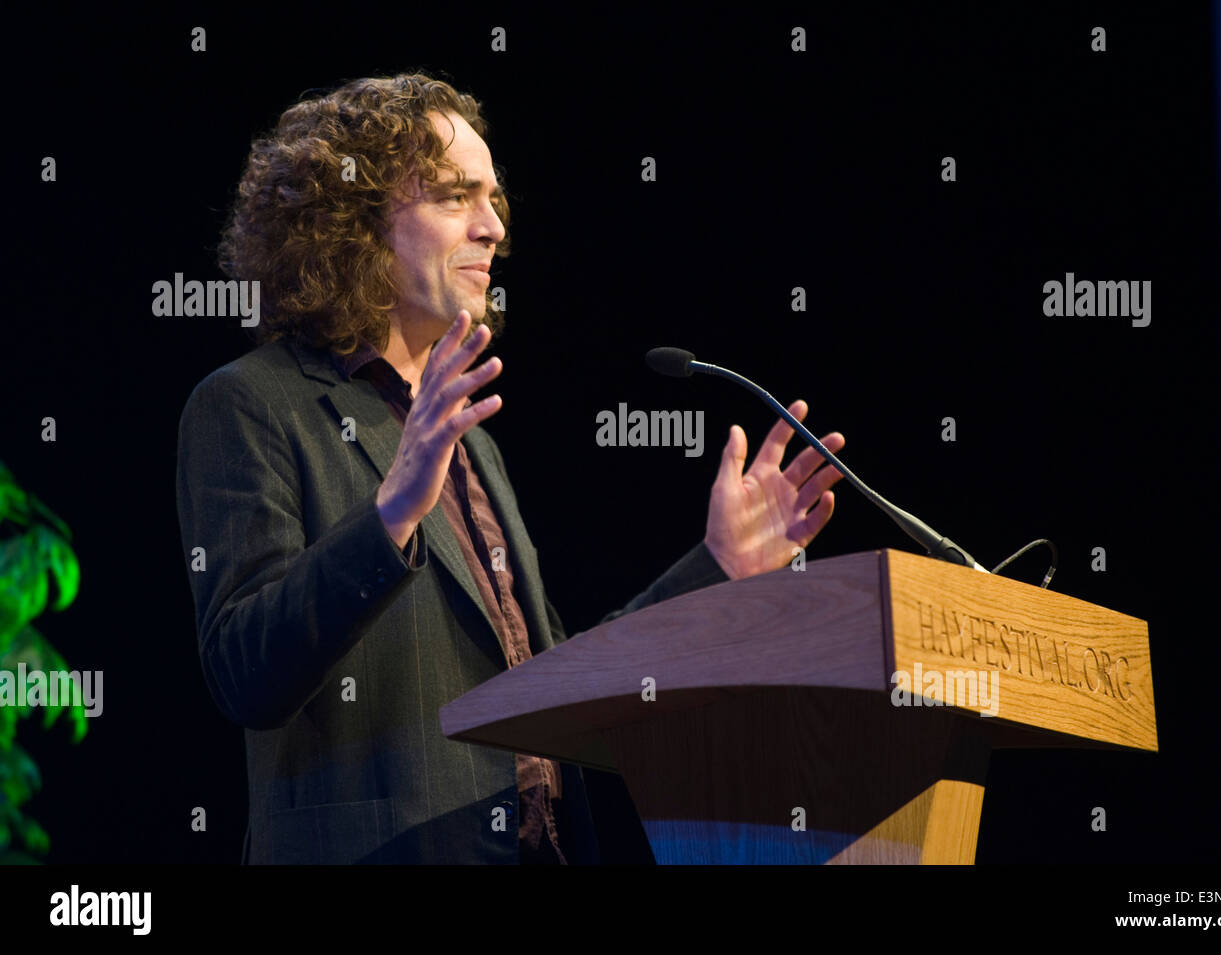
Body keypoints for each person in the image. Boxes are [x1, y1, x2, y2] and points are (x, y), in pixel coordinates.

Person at [175, 73, 847, 864]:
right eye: (457, 196)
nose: (493, 227)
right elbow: (245, 672)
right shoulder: (253, 405)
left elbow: (557, 683)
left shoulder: (473, 439)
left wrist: (717, 568)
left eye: (494, 200)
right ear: (354, 221)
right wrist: (390, 515)